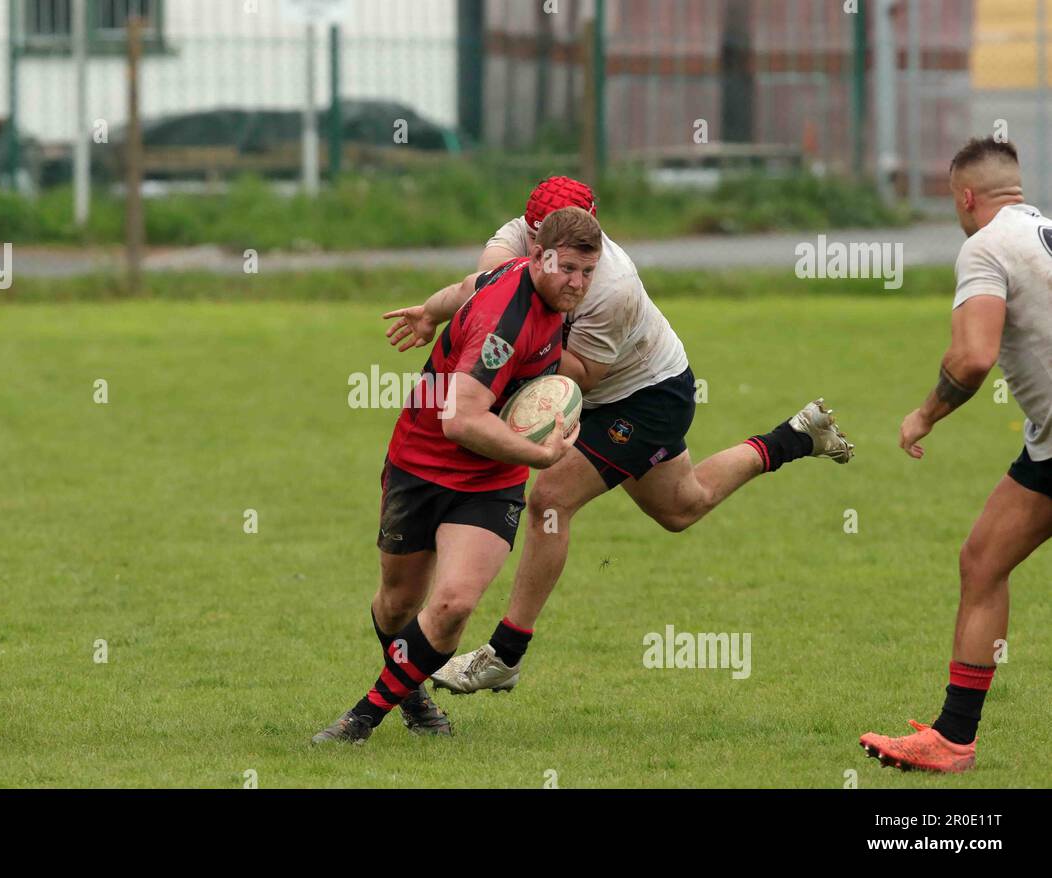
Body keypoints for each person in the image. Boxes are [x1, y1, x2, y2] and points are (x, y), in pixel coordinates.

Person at [384, 177, 853, 695]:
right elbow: (488, 286)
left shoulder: (612, 287)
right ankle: (794, 437)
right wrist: (434, 312)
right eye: (541, 242)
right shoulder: (527, 233)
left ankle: (505, 654)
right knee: (680, 507)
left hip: (643, 396)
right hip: (602, 395)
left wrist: (515, 343)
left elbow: (582, 374)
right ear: (534, 230)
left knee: (550, 499)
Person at [312, 207, 601, 744]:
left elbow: (466, 285)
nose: (578, 284)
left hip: (490, 482)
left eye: (588, 272)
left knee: (452, 606)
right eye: (567, 270)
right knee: (399, 602)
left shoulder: (520, 279)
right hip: (420, 463)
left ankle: (362, 717)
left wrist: (429, 311)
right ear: (538, 258)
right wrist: (540, 456)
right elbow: (460, 420)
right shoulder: (504, 324)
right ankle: (411, 688)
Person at [860, 137, 1049, 773]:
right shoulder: (1044, 231)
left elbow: (972, 357)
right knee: (983, 558)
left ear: (965, 197)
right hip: (1048, 444)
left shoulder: (985, 245)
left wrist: (923, 415)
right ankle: (953, 736)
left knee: (982, 563)